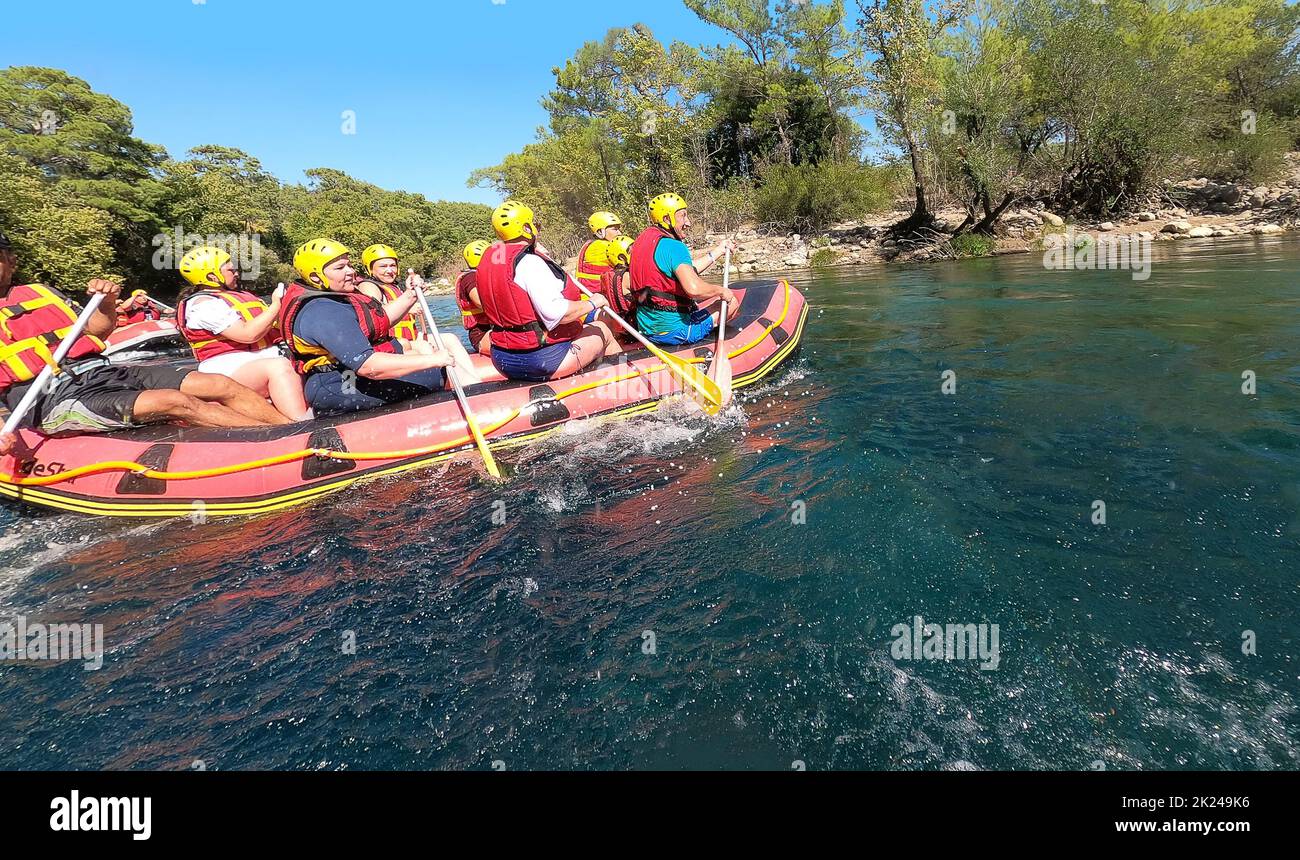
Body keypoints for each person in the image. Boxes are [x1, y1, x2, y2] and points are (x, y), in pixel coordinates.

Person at [0, 231, 290, 456]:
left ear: (11, 261)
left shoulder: (40, 293)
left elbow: (96, 333)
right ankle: (286, 445)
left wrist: (107, 302)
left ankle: (295, 431)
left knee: (217, 384)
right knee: (175, 402)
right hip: (49, 399)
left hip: (100, 372)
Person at [277, 238, 479, 417]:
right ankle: (478, 406)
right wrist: (434, 360)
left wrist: (410, 295)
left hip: (346, 376)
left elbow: (378, 321)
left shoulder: (334, 299)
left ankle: (476, 394)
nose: (350, 272)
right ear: (315, 277)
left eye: (349, 265)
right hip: (339, 384)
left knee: (433, 367)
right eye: (340, 268)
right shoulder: (323, 311)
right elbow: (368, 366)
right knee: (436, 374)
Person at [476, 201, 621, 383]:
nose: (537, 229)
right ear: (527, 228)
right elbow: (557, 314)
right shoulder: (529, 262)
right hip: (540, 360)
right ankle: (626, 385)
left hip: (502, 358)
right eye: (535, 225)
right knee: (602, 329)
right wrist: (593, 302)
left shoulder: (489, 259)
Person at [175, 246, 311, 421]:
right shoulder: (202, 305)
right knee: (279, 367)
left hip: (257, 360)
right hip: (225, 371)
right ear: (212, 276)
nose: (236, 273)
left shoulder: (241, 295)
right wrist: (276, 304)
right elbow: (248, 335)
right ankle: (301, 423)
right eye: (231, 269)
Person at [629, 192, 739, 346]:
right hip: (677, 332)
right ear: (667, 219)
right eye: (683, 216)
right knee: (731, 302)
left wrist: (719, 250)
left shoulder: (641, 243)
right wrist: (721, 291)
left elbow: (687, 270)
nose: (688, 222)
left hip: (647, 332)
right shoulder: (674, 246)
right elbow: (694, 289)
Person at [357, 244, 423, 341]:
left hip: (411, 339)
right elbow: (376, 313)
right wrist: (408, 307)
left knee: (449, 339)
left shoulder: (396, 286)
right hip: (391, 342)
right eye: (383, 266)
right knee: (425, 347)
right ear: (370, 269)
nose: (389, 270)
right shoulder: (368, 286)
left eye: (392, 265)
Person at [456, 240, 492, 354]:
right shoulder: (470, 278)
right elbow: (481, 303)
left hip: (491, 329)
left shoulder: (483, 275)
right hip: (480, 334)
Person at [573, 211, 623, 289]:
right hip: (597, 296)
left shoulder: (591, 244)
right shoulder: (601, 247)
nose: (619, 233)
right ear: (600, 232)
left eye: (619, 229)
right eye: (615, 229)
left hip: (591, 294)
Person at [595, 235, 638, 320]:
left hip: (624, 324)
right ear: (621, 258)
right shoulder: (627, 276)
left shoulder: (614, 275)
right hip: (635, 323)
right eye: (632, 251)